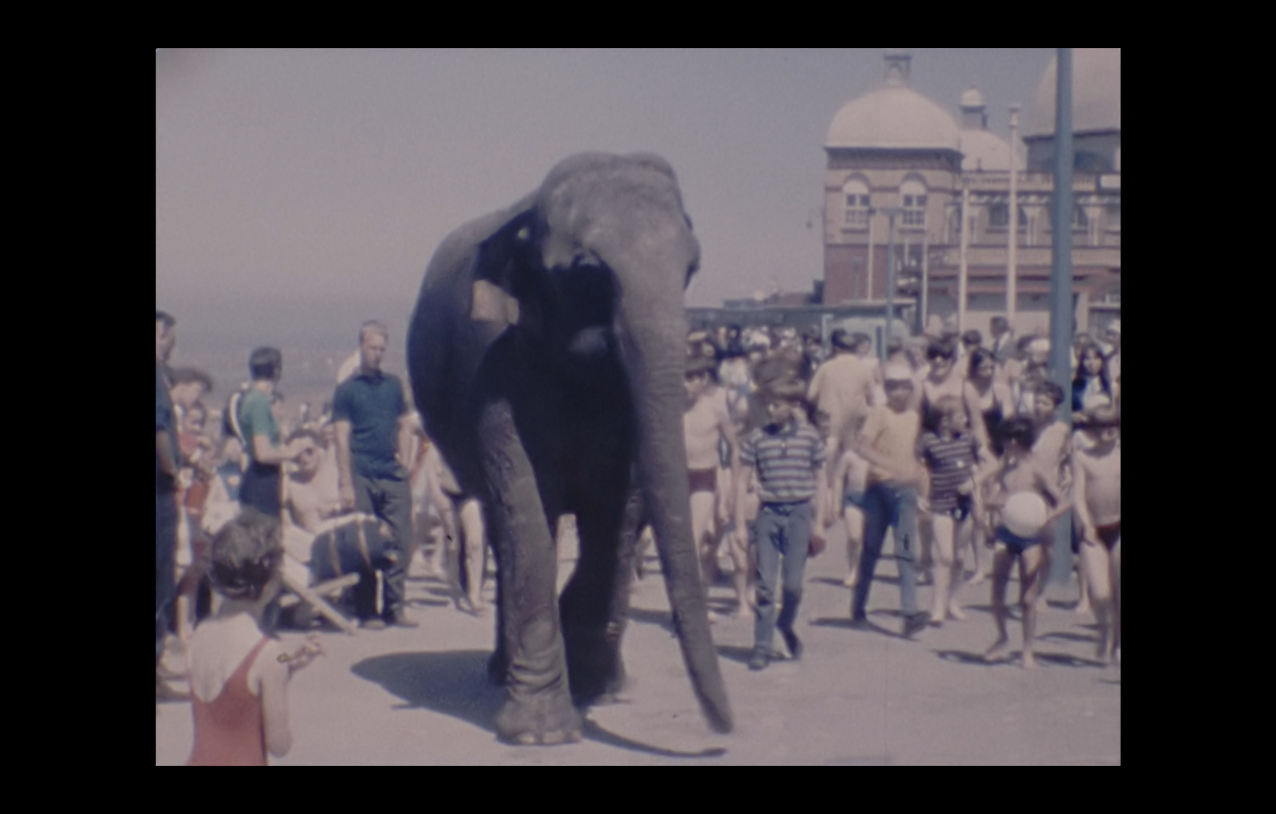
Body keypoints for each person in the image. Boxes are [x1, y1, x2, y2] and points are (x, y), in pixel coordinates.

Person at [185, 510, 323, 765]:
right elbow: (279, 744)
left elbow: (245, 682)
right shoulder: (268, 654)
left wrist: (289, 662)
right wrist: (281, 673)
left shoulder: (199, 634)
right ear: (270, 583)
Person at [332, 321, 418, 629]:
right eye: (372, 348)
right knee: (365, 541)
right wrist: (345, 482)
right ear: (361, 347)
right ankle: (367, 609)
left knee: (402, 538)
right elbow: (341, 437)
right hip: (361, 472)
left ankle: (395, 606)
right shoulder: (347, 391)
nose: (377, 354)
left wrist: (405, 462)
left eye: (382, 349)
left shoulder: (394, 385)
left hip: (391, 472)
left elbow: (406, 423)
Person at [737, 378, 826, 670]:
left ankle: (785, 623)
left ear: (793, 406)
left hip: (799, 513)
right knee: (765, 584)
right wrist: (740, 524)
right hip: (769, 514)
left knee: (793, 585)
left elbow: (820, 480)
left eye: (776, 405)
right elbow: (742, 482)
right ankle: (761, 646)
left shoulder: (810, 437)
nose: (771, 410)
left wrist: (819, 523)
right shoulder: (757, 439)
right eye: (768, 405)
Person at [982, 418, 1071, 669]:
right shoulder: (1005, 468)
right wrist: (996, 508)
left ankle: (1027, 650)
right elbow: (992, 498)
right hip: (1006, 530)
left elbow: (1063, 501)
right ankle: (1002, 637)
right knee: (997, 590)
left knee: (1028, 597)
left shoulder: (1036, 468)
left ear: (1018, 441)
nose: (1005, 444)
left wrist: (1046, 518)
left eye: (1008, 440)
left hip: (1031, 534)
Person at [850, 365, 929, 638]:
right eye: (892, 386)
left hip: (904, 493)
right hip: (878, 490)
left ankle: (910, 613)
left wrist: (919, 480)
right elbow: (860, 446)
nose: (898, 391)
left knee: (906, 550)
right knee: (871, 550)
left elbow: (915, 453)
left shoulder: (914, 417)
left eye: (903, 386)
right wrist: (888, 465)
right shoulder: (879, 414)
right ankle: (858, 606)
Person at [681, 354, 746, 617]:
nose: (685, 386)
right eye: (682, 379)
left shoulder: (715, 408)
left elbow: (733, 446)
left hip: (705, 479)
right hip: (677, 480)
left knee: (698, 543)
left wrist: (732, 483)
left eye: (690, 380)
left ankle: (698, 605)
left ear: (702, 380)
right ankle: (689, 603)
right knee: (687, 547)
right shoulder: (671, 407)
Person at [917, 395, 984, 625]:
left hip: (964, 504)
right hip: (940, 502)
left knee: (958, 556)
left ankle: (952, 599)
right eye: (960, 416)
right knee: (944, 555)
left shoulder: (969, 440)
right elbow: (919, 469)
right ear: (944, 421)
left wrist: (975, 483)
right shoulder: (928, 442)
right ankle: (937, 607)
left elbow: (990, 464)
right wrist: (919, 495)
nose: (965, 419)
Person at [1072, 406, 1121, 665]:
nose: (1106, 431)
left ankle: (1118, 641)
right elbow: (1078, 494)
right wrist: (1086, 521)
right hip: (1094, 529)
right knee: (1101, 592)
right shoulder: (1083, 457)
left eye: (1111, 426)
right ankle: (1104, 630)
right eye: (1100, 427)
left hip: (1118, 525)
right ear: (1091, 430)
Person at [156, 310, 187, 701]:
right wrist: (175, 470)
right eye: (166, 338)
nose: (170, 345)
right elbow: (160, 431)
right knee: (161, 577)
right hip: (159, 491)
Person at [238, 347, 304, 518]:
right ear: (276, 370)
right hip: (262, 479)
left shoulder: (255, 399)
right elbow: (263, 453)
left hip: (265, 477)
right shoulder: (258, 402)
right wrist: (291, 453)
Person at [807, 329, 877, 473]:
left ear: (837, 349)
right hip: (855, 418)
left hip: (829, 416)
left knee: (830, 446)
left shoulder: (825, 367)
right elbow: (872, 398)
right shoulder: (863, 368)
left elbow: (811, 395)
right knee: (852, 453)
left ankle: (828, 484)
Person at [826, 416, 870, 589]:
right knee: (854, 536)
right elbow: (838, 478)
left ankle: (864, 570)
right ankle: (852, 569)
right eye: (860, 434)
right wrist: (836, 502)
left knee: (868, 539)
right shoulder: (849, 456)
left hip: (873, 499)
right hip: (854, 498)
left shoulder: (878, 456)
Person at [283, 430, 342, 535]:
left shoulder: (335, 464)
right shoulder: (289, 482)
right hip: (310, 543)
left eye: (309, 451)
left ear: (319, 449)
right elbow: (286, 523)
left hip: (345, 535)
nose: (303, 458)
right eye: (297, 455)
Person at [1071, 342, 1114, 416]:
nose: (1091, 363)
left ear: (1102, 361)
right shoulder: (1074, 386)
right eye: (1087, 359)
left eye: (1095, 358)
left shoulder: (1111, 386)